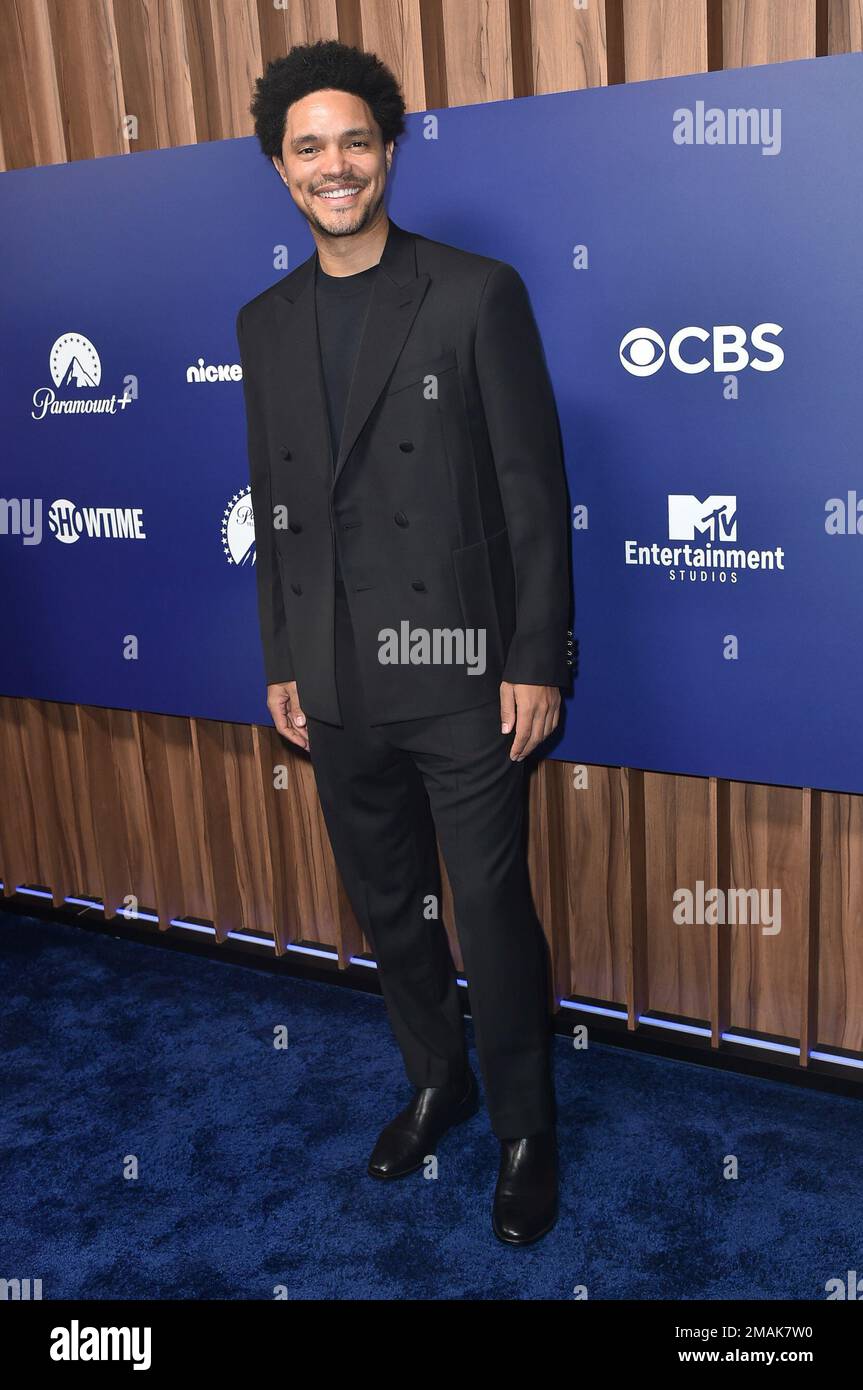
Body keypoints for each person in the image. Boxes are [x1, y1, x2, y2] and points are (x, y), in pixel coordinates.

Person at [236, 39, 573, 1246]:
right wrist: (283, 653)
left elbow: (532, 490)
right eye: (309, 147)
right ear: (281, 169)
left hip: (462, 675)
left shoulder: (474, 293)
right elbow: (276, 508)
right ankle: (438, 1079)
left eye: (355, 141)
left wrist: (535, 657)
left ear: (388, 151)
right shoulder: (262, 321)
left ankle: (527, 1124)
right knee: (389, 904)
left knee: (485, 907)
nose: (336, 166)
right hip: (332, 675)